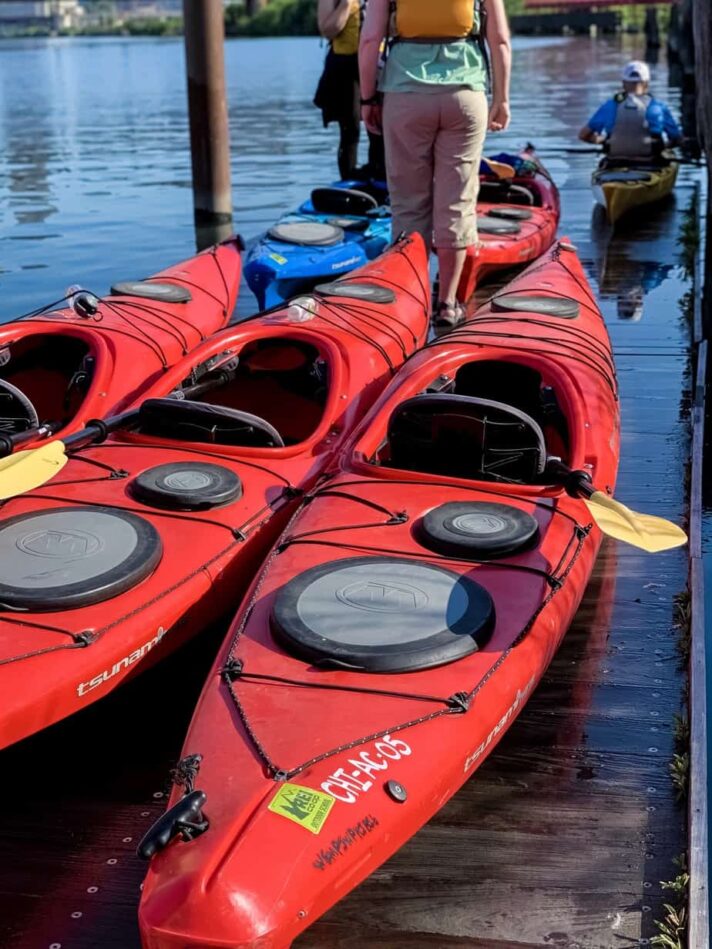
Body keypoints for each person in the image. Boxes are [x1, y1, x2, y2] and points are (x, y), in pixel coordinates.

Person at [359, 0, 512, 328]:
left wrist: (368, 98)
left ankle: (410, 299)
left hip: (405, 94)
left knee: (408, 204)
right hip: (465, 94)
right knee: (456, 203)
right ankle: (446, 305)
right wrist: (501, 98)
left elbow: (370, 39)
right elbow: (499, 40)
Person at [315, 0, 386, 181]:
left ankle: (379, 175)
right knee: (350, 128)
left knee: (379, 128)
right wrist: (345, 4)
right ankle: (347, 179)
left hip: (375, 63)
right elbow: (328, 31)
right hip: (345, 66)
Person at [579, 61, 682, 163]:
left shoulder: (609, 105)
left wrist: (602, 141)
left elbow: (583, 135)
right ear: (646, 84)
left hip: (615, 160)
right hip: (649, 160)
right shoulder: (659, 107)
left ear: (624, 83)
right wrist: (664, 146)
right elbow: (676, 138)